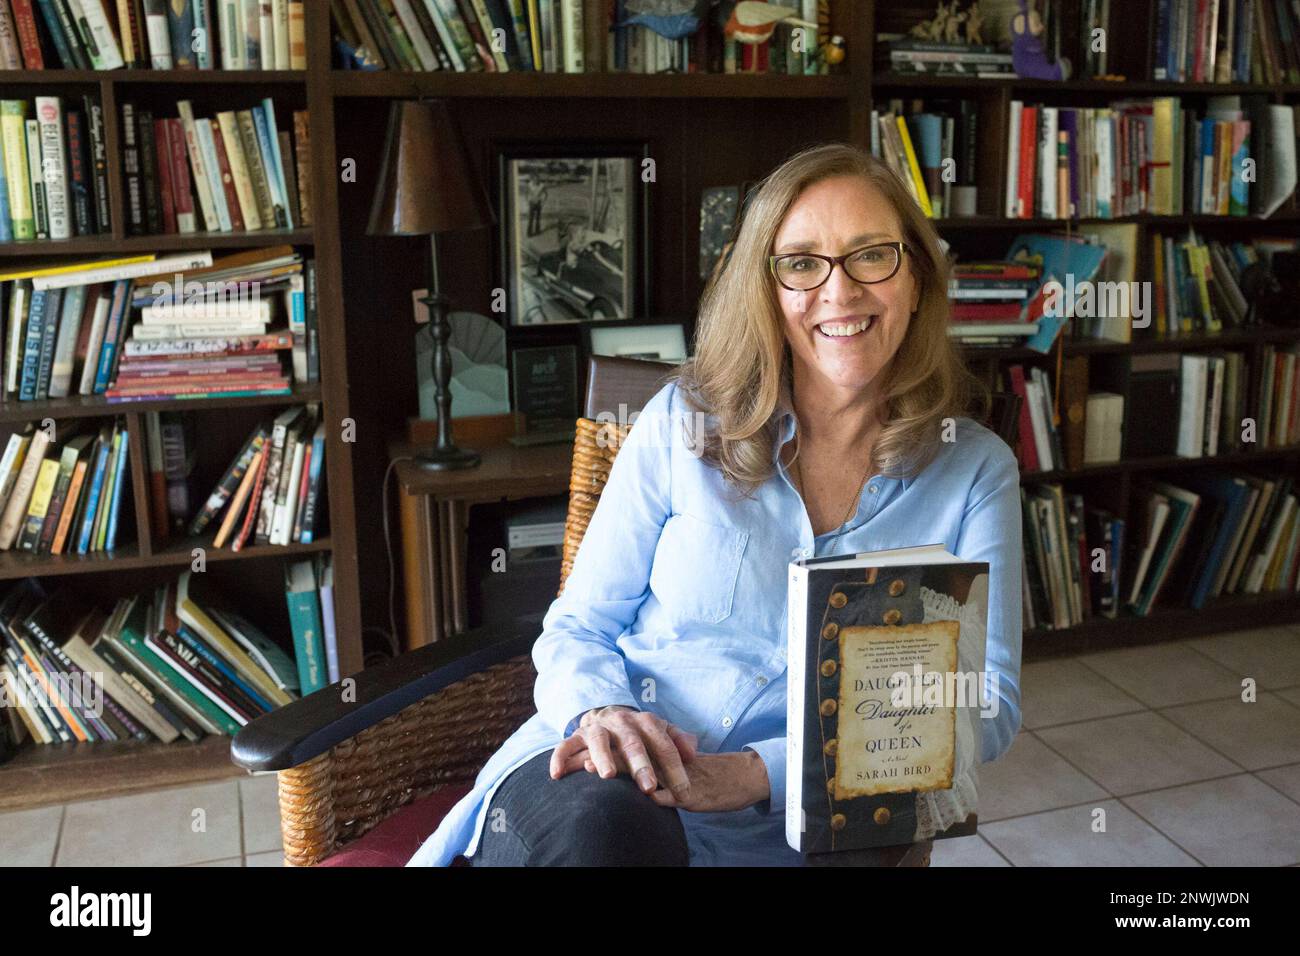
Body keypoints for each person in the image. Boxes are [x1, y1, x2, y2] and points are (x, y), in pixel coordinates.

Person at [407, 142, 1023, 867]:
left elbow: (984, 702)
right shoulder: (682, 422)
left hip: (795, 819)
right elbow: (579, 623)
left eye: (871, 255)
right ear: (768, 291)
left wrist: (763, 773)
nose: (840, 290)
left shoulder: (974, 471)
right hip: (612, 785)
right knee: (607, 835)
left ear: (916, 278)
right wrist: (604, 714)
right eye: (801, 263)